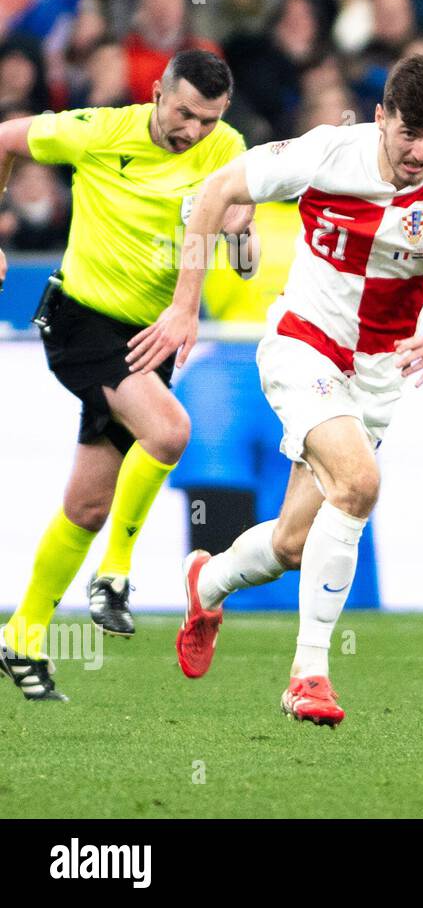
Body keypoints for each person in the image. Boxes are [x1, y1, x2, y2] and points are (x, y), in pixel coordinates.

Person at [158, 55, 423, 726]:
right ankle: (309, 674)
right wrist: (185, 306)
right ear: (380, 119)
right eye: (408, 135)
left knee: (289, 544)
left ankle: (207, 582)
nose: (421, 153)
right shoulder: (327, 152)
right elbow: (216, 191)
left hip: (376, 374)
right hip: (302, 346)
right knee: (361, 482)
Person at [0, 50, 256, 701]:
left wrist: (241, 233)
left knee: (86, 505)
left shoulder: (226, 146)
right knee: (170, 432)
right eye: (185, 113)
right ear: (156, 93)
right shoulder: (99, 131)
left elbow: (225, 229)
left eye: (209, 119)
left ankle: (22, 637)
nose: (195, 131)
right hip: (82, 319)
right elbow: (5, 139)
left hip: (150, 339)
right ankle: (114, 576)